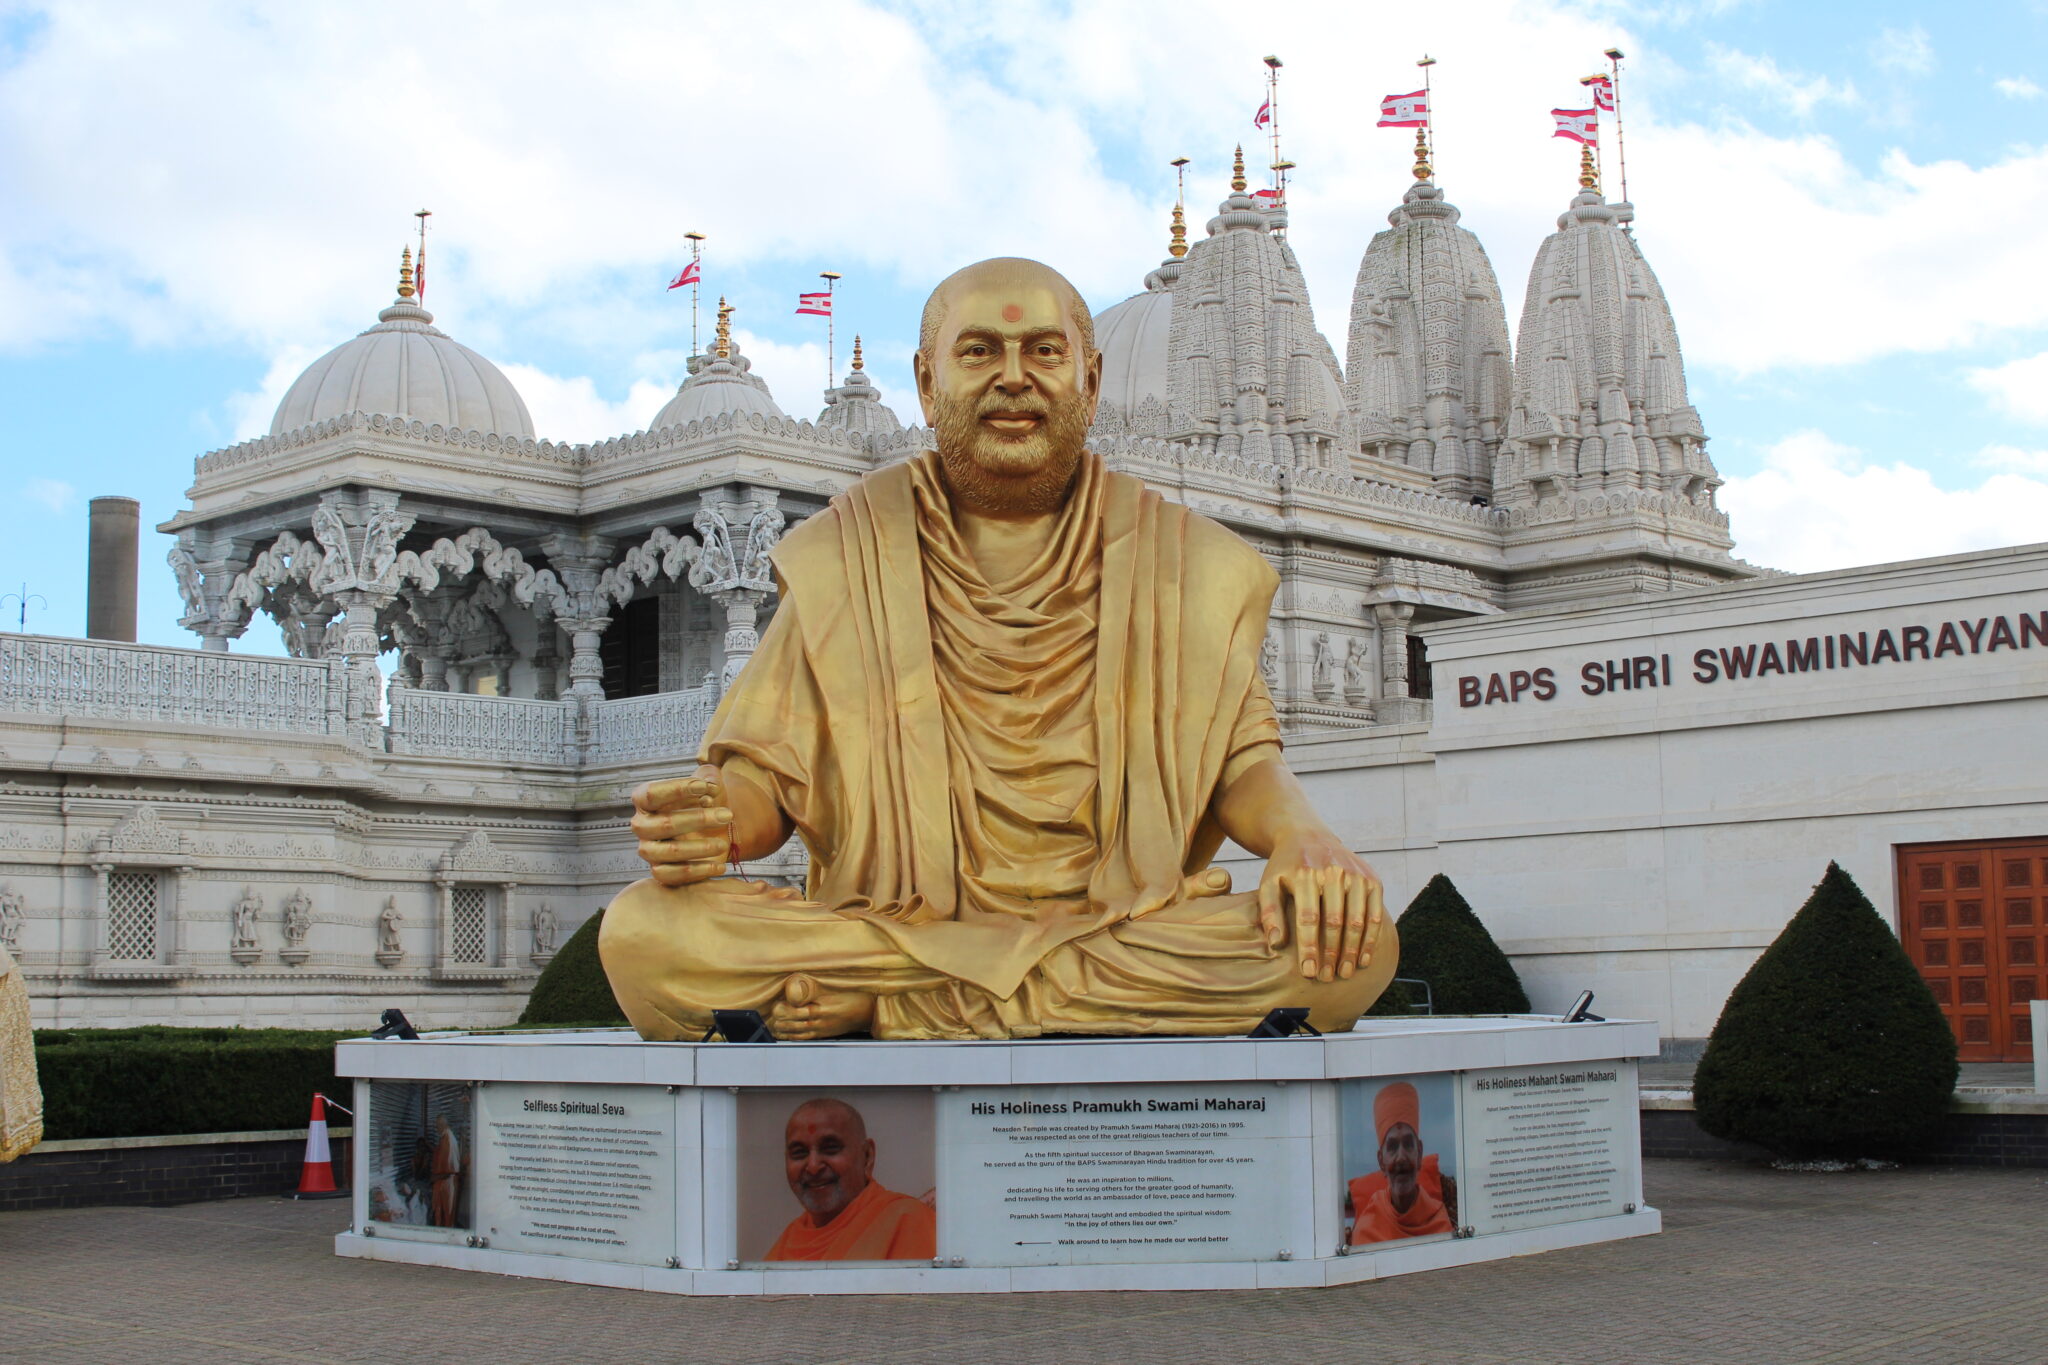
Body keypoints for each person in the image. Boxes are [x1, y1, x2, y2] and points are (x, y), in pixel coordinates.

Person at [600, 257, 1397, 1041]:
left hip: (1111, 922)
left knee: (1355, 948)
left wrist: (1302, 834)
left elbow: (1242, 762)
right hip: (904, 923)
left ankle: (904, 1006)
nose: (1013, 377)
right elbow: (763, 782)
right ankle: (1013, 1000)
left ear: (1089, 381)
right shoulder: (847, 555)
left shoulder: (1183, 561)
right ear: (925, 382)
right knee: (643, 937)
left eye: (1043, 353)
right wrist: (713, 817)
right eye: (978, 352)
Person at [765, 1098, 936, 1261]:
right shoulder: (789, 1240)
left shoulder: (906, 1220)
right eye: (799, 1153)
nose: (813, 1166)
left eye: (830, 1149)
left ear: (867, 1156)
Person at [1347, 1081, 1455, 1244]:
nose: (1401, 1157)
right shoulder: (1366, 1230)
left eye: (1408, 1144)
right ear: (1381, 1161)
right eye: (1392, 1146)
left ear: (1419, 1153)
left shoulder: (1439, 1219)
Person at [429, 1114, 462, 1228]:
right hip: (444, 1181)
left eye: (438, 1125)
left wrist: (435, 1178)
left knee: (446, 1216)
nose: (436, 1128)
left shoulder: (447, 1139)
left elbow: (449, 1169)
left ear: (444, 1125)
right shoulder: (445, 1137)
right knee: (443, 1215)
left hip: (446, 1182)